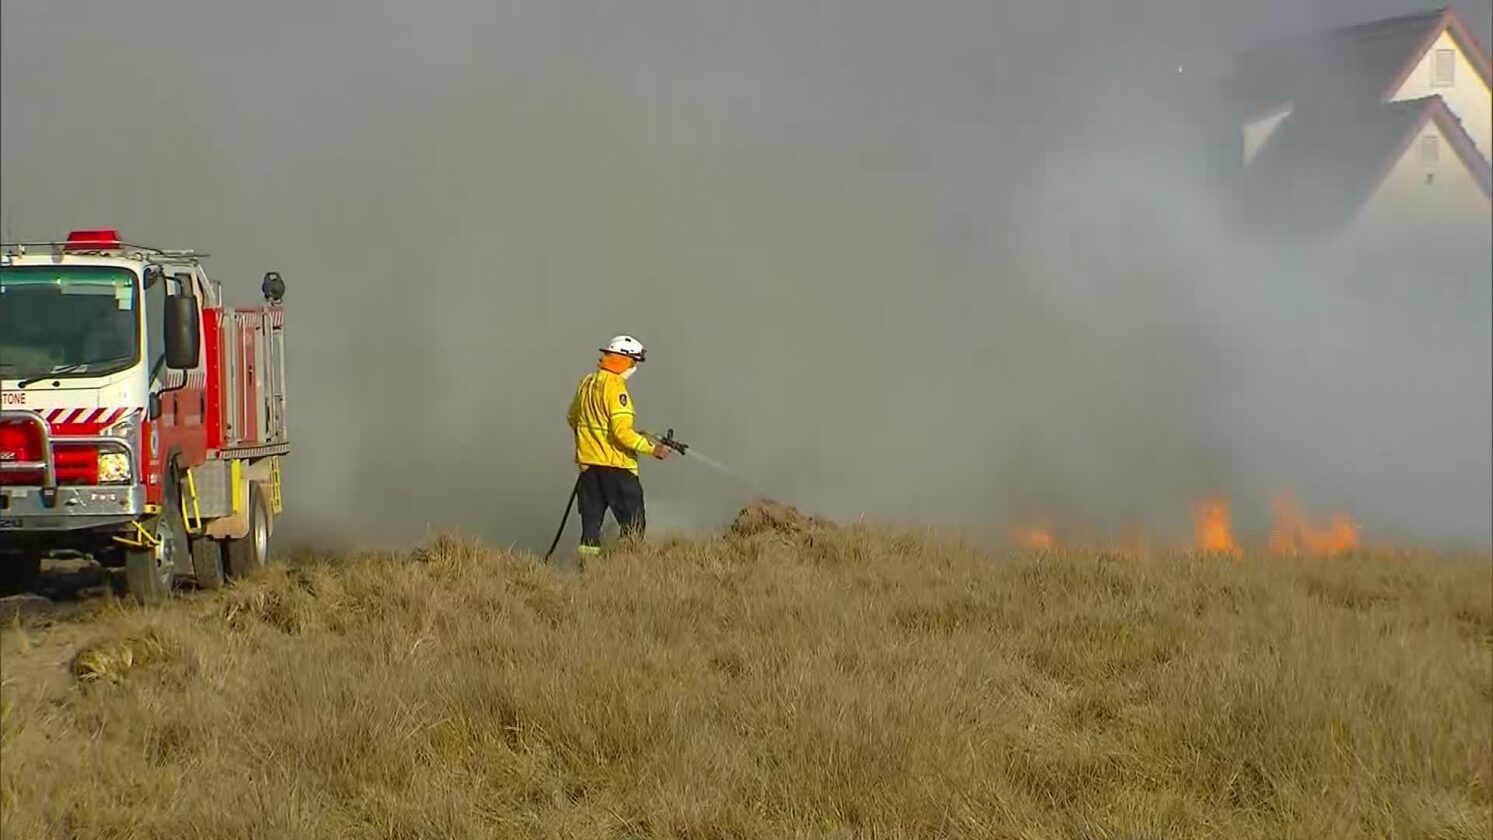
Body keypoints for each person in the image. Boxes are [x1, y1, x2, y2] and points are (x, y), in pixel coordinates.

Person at [565, 334, 673, 563]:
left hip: (589, 470)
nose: (634, 367)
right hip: (617, 469)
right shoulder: (616, 389)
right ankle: (627, 571)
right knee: (633, 527)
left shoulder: (587, 383)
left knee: (590, 530)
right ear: (623, 359)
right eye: (634, 362)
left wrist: (592, 442)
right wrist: (652, 449)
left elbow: (573, 418)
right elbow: (622, 433)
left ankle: (587, 573)